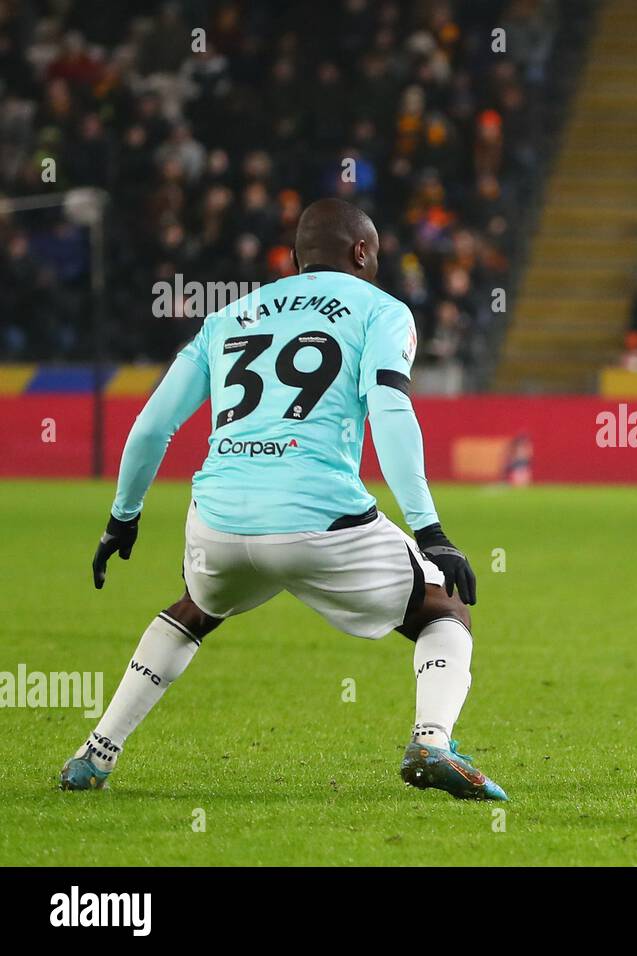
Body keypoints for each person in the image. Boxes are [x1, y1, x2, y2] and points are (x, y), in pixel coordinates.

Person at [62, 198, 506, 800]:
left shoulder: (231, 315)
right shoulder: (383, 310)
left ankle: (96, 754)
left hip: (217, 521)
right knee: (445, 608)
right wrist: (431, 532)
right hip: (318, 523)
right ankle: (430, 741)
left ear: (297, 259)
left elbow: (151, 425)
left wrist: (123, 517)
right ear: (361, 253)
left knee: (196, 607)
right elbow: (391, 409)